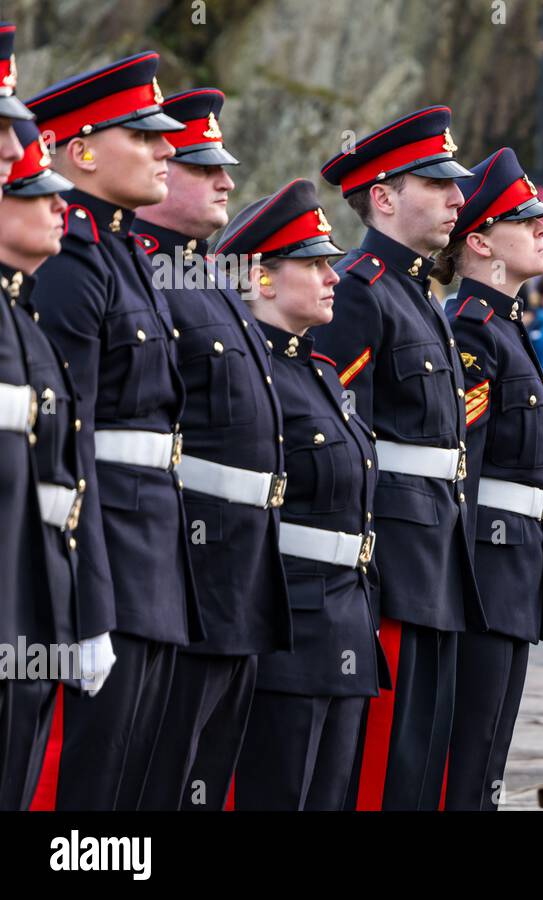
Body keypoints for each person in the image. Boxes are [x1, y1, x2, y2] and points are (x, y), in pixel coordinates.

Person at [26, 51, 204, 811]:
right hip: (106, 567)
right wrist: (84, 600)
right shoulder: (71, 259)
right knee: (83, 792)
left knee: (131, 790)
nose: (169, 148)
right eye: (145, 135)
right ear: (82, 149)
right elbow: (64, 442)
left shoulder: (128, 254)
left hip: (152, 558)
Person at [314, 105, 483, 811]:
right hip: (393, 559)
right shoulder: (359, 291)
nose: (457, 199)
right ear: (382, 197)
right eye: (436, 185)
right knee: (385, 766)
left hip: (438, 552)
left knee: (421, 767)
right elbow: (335, 431)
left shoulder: (417, 293)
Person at [129, 87, 291, 811]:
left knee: (207, 777)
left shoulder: (210, 280)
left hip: (241, 569)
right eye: (203, 165)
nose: (227, 179)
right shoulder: (145, 278)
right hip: (186, 569)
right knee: (159, 773)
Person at [212, 179, 382, 810]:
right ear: (261, 278)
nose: (332, 277)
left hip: (344, 624)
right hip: (284, 630)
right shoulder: (249, 374)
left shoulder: (321, 373)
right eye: (313, 265)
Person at [440, 146, 543, 810]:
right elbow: (465, 469)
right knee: (466, 755)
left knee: (489, 752)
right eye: (527, 219)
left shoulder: (510, 331)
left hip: (513, 566)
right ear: (481, 239)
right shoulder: (472, 332)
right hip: (481, 573)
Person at [0, 80, 99, 810]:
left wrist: (71, 621)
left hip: (32, 620)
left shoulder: (24, 323)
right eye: (39, 192)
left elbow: (56, 488)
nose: (60, 206)